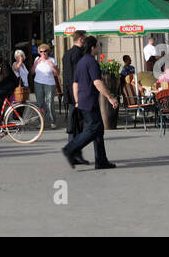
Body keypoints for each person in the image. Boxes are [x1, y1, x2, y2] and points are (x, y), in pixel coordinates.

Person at [61, 35, 117, 170]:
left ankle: (101, 161)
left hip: (83, 100)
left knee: (98, 131)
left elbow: (75, 83)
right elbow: (97, 82)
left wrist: (77, 101)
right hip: (90, 100)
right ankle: (70, 148)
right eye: (97, 46)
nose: (98, 48)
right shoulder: (91, 62)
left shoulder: (81, 62)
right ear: (93, 48)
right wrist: (110, 97)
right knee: (94, 128)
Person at [62, 31, 87, 157]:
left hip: (69, 91)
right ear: (81, 40)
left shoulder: (67, 54)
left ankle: (74, 151)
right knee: (79, 124)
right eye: (85, 39)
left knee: (74, 123)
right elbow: (77, 77)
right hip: (77, 93)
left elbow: (66, 76)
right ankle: (72, 150)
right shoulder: (78, 54)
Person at [30, 44, 61, 127]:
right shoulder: (37, 59)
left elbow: (57, 73)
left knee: (49, 103)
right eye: (41, 51)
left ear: (48, 52)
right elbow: (32, 72)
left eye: (45, 51)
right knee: (40, 103)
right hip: (38, 83)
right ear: (39, 52)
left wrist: (52, 66)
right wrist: (35, 64)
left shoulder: (52, 60)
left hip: (49, 84)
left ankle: (53, 121)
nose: (43, 53)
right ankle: (41, 122)